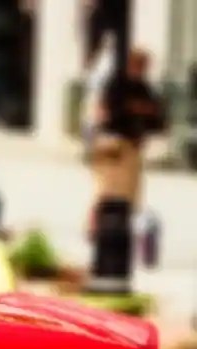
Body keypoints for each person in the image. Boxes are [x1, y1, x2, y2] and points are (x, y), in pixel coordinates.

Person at [87, 48, 168, 294]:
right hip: (113, 146)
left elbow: (158, 117)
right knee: (107, 197)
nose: (141, 70)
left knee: (128, 201)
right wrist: (139, 111)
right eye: (139, 65)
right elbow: (110, 113)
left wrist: (141, 112)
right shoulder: (117, 85)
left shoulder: (143, 88)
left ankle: (113, 241)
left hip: (132, 147)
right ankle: (99, 235)